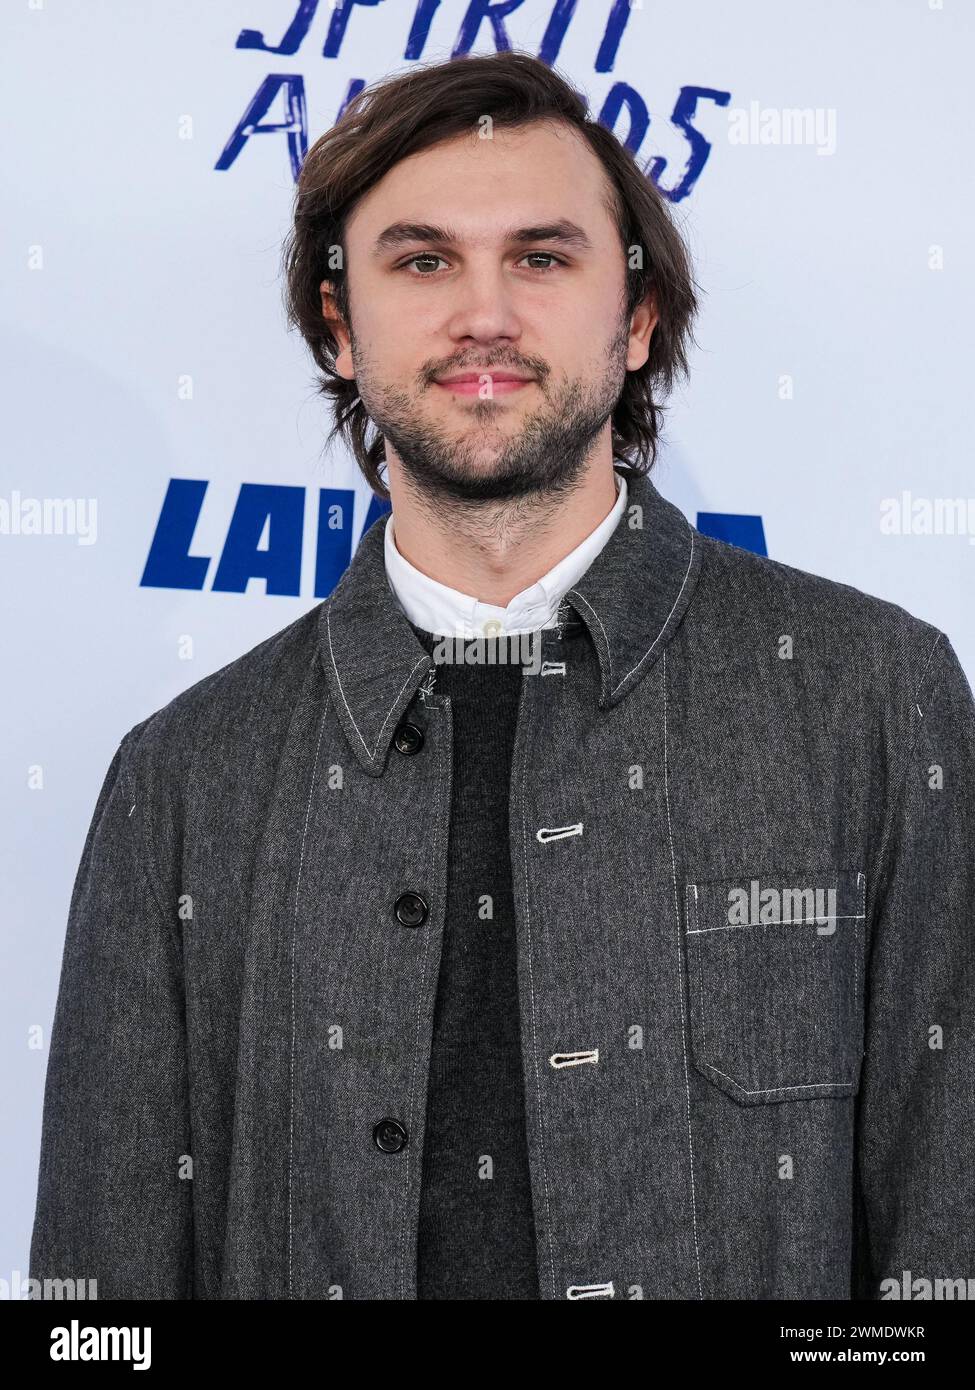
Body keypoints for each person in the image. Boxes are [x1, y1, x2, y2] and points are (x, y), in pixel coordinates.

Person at [30, 50, 975, 1301]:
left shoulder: (874, 698)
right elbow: (97, 1318)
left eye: (542, 257)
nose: (484, 315)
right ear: (340, 321)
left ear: (635, 318)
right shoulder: (180, 780)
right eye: (422, 262)